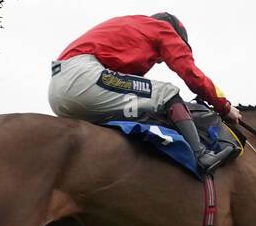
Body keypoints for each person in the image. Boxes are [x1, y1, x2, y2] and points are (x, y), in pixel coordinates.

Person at [48, 12, 241, 173]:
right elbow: (191, 74)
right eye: (160, 59)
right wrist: (224, 107)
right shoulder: (162, 29)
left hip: (58, 89)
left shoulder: (132, 27)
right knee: (166, 93)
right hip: (83, 77)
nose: (159, 61)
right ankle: (201, 154)